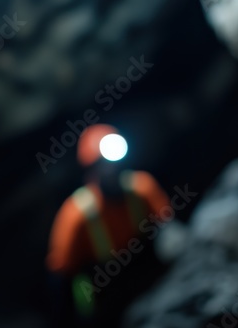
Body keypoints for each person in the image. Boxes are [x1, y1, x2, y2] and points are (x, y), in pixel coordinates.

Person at [45, 124, 171, 327]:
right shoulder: (76, 215)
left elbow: (168, 228)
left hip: (149, 282)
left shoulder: (142, 188)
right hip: (108, 297)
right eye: (103, 164)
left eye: (114, 161)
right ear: (92, 169)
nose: (112, 169)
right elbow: (61, 278)